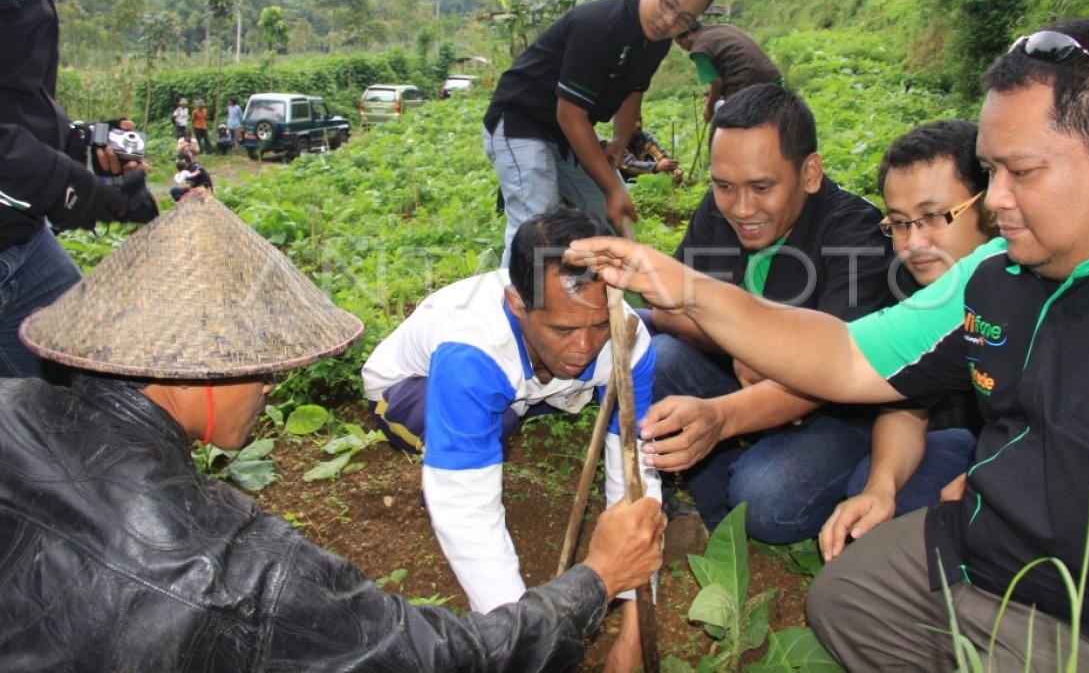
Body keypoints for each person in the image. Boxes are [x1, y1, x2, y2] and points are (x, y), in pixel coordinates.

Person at [569, 18, 1089, 671]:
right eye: (991, 171)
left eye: (1022, 171)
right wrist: (682, 286)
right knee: (841, 598)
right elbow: (847, 355)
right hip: (999, 552)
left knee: (782, 492)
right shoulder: (997, 277)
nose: (998, 200)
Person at [3, 191, 668, 670]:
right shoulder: (231, 564)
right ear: (198, 369)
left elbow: (634, 474)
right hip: (415, 391)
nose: (271, 384)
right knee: (477, 434)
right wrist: (594, 580)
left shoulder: (11, 406)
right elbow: (432, 652)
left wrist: (634, 612)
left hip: (516, 387)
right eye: (261, 363)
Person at [362, 208, 662, 672]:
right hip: (409, 391)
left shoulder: (625, 337)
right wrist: (527, 643)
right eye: (563, 329)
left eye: (598, 325)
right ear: (517, 304)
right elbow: (469, 514)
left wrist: (636, 624)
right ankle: (443, 462)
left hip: (529, 388)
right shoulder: (470, 351)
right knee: (486, 431)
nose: (583, 347)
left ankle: (502, 410)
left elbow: (636, 471)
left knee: (545, 390)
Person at [644, 83, 893, 543]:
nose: (741, 208)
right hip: (747, 384)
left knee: (767, 497)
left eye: (762, 187)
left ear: (810, 173)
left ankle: (758, 475)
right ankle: (716, 506)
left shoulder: (856, 236)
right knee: (653, 350)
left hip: (833, 411)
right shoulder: (722, 210)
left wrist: (722, 413)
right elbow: (664, 307)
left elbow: (837, 371)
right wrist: (740, 344)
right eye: (724, 186)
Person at [0, 0, 156, 380]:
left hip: (20, 245)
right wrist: (78, 190)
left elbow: (14, 94)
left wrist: (78, 144)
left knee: (91, 385)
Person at [483, 0, 716, 265]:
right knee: (535, 227)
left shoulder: (658, 41)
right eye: (666, 3)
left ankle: (612, 302)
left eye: (684, 19)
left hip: (565, 134)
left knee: (612, 214)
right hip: (521, 123)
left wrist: (619, 142)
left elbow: (634, 90)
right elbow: (570, 115)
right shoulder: (599, 27)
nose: (669, 21)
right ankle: (515, 307)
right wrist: (612, 186)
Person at [834, 120, 990, 531]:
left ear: (990, 203)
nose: (914, 243)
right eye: (899, 223)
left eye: (934, 216)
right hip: (954, 442)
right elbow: (906, 404)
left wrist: (1005, 474)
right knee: (871, 486)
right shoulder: (910, 282)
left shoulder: (1028, 282)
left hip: (1028, 459)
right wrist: (880, 488)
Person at [673, 22, 783, 123]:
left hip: (747, 85)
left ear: (690, 34)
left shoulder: (699, 49)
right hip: (771, 77)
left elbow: (716, 83)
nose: (684, 48)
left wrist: (709, 108)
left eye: (681, 43)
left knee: (733, 123)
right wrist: (712, 95)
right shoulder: (724, 27)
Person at [619, 117, 681, 183]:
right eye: (633, 121)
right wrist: (656, 166)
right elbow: (629, 165)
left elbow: (661, 155)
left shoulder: (645, 137)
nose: (639, 125)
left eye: (640, 120)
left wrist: (673, 168)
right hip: (624, 185)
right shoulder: (618, 144)